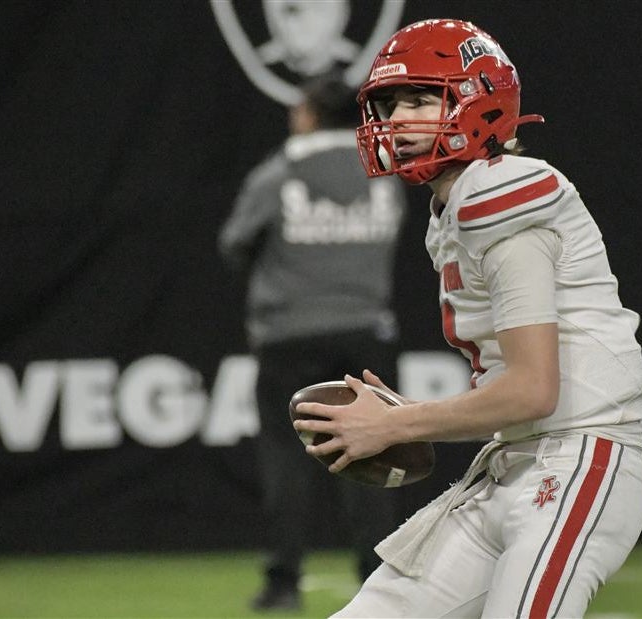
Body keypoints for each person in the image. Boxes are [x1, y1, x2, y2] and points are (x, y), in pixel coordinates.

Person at [291, 19, 642, 618]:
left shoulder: (500, 194)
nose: (397, 119)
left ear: (476, 100)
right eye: (387, 103)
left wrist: (398, 428)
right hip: (512, 464)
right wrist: (409, 416)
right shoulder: (451, 210)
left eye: (418, 99)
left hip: (576, 463)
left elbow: (534, 389)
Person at [217, 75, 407, 612]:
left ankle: (283, 582)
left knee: (286, 455)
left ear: (307, 113)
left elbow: (234, 244)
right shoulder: (381, 171)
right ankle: (378, 582)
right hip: (366, 328)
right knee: (371, 450)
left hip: (289, 333)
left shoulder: (282, 172)